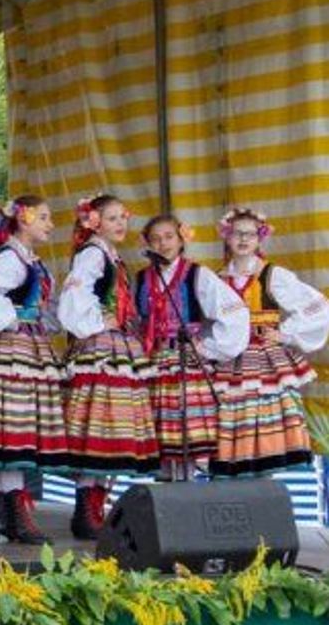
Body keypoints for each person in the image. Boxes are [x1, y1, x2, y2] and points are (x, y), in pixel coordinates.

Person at [0, 196, 68, 544]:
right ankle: (14, 516)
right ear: (25, 219)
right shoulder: (10, 259)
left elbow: (44, 308)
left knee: (13, 431)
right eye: (45, 217)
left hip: (27, 348)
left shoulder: (31, 262)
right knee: (13, 431)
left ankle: (2, 515)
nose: (50, 224)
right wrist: (11, 318)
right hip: (13, 350)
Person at [56, 193, 159, 538]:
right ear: (95, 223)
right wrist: (98, 322)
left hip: (117, 346)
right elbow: (73, 298)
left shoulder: (111, 256)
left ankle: (94, 508)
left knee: (109, 430)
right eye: (112, 218)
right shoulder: (93, 254)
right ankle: (86, 510)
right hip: (102, 348)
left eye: (123, 217)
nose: (120, 223)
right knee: (97, 427)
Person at [212, 207, 329, 477]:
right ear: (226, 237)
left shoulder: (273, 275)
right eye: (237, 233)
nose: (243, 239)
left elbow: (317, 306)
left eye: (250, 234)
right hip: (231, 358)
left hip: (265, 357)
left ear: (260, 238)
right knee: (235, 416)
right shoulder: (217, 279)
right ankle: (240, 478)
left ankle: (265, 481)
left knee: (267, 413)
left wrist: (285, 333)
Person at [133, 214, 248, 481]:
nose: (163, 244)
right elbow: (136, 321)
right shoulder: (141, 278)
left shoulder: (197, 274)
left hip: (185, 361)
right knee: (159, 435)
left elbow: (235, 312)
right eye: (155, 239)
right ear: (147, 244)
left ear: (182, 239)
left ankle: (188, 489)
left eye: (169, 237)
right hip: (152, 363)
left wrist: (208, 347)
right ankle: (166, 489)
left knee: (186, 432)